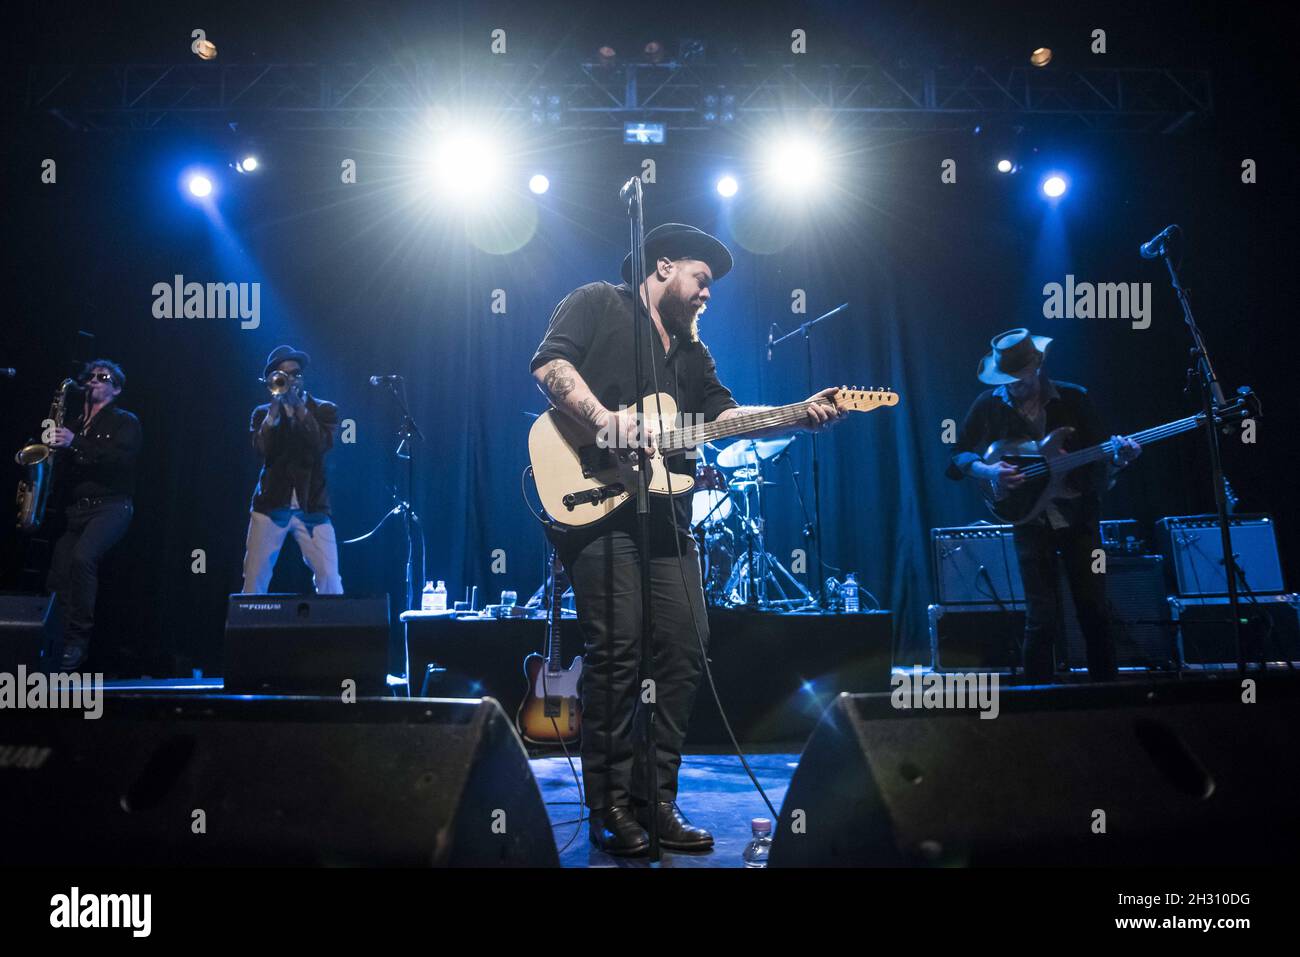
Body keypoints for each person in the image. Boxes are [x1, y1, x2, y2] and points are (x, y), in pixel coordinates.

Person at [530, 223, 843, 855]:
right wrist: (605, 419)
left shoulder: (694, 357)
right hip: (595, 507)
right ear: (664, 266)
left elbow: (722, 420)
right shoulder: (598, 301)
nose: (708, 294)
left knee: (684, 645)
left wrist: (795, 414)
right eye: (702, 280)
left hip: (667, 518)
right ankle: (609, 806)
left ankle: (656, 798)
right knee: (618, 650)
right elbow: (549, 365)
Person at [946, 329, 1140, 682]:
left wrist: (1120, 460)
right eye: (1006, 381)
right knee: (1041, 617)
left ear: (1037, 366)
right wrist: (989, 470)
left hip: (1079, 518)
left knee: (1095, 611)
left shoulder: (1074, 399)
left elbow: (1100, 457)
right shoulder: (989, 404)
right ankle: (1037, 706)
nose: (1013, 387)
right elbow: (957, 454)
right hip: (1028, 521)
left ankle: (1110, 701)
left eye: (1019, 380)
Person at [46, 359, 141, 670]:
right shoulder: (72, 423)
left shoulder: (125, 421)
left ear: (116, 389)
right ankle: (54, 642)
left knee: (83, 558)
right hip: (76, 510)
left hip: (111, 506)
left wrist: (76, 444)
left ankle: (77, 642)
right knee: (58, 572)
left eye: (104, 377)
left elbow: (119, 461)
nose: (94, 381)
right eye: (91, 376)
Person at [240, 345, 343, 595]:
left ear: (302, 376)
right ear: (272, 380)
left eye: (295, 373)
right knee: (254, 581)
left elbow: (320, 444)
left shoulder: (325, 410)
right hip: (270, 506)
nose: (291, 379)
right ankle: (250, 634)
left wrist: (297, 407)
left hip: (313, 507)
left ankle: (335, 634)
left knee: (330, 580)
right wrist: (275, 411)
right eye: (283, 375)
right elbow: (262, 449)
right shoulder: (262, 414)